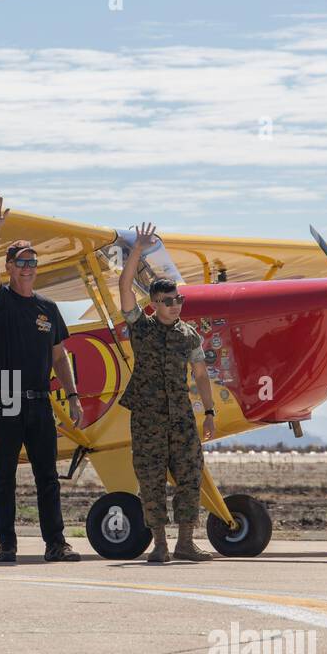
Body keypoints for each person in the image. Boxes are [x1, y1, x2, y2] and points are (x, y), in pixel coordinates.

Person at [0, 195, 82, 563]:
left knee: (48, 477)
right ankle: (7, 544)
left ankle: (56, 543)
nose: (27, 268)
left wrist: (72, 395)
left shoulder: (48, 309)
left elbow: (58, 355)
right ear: (9, 266)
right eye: (21, 262)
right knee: (4, 474)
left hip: (40, 397)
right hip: (5, 391)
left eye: (32, 262)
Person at [116, 222, 216, 563]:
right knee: (151, 478)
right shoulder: (140, 329)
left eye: (179, 299)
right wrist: (138, 253)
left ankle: (185, 542)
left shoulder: (189, 336)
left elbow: (201, 376)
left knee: (190, 476)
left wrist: (210, 412)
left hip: (182, 419)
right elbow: (125, 286)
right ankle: (159, 544)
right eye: (169, 301)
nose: (176, 305)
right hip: (148, 418)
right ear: (154, 303)